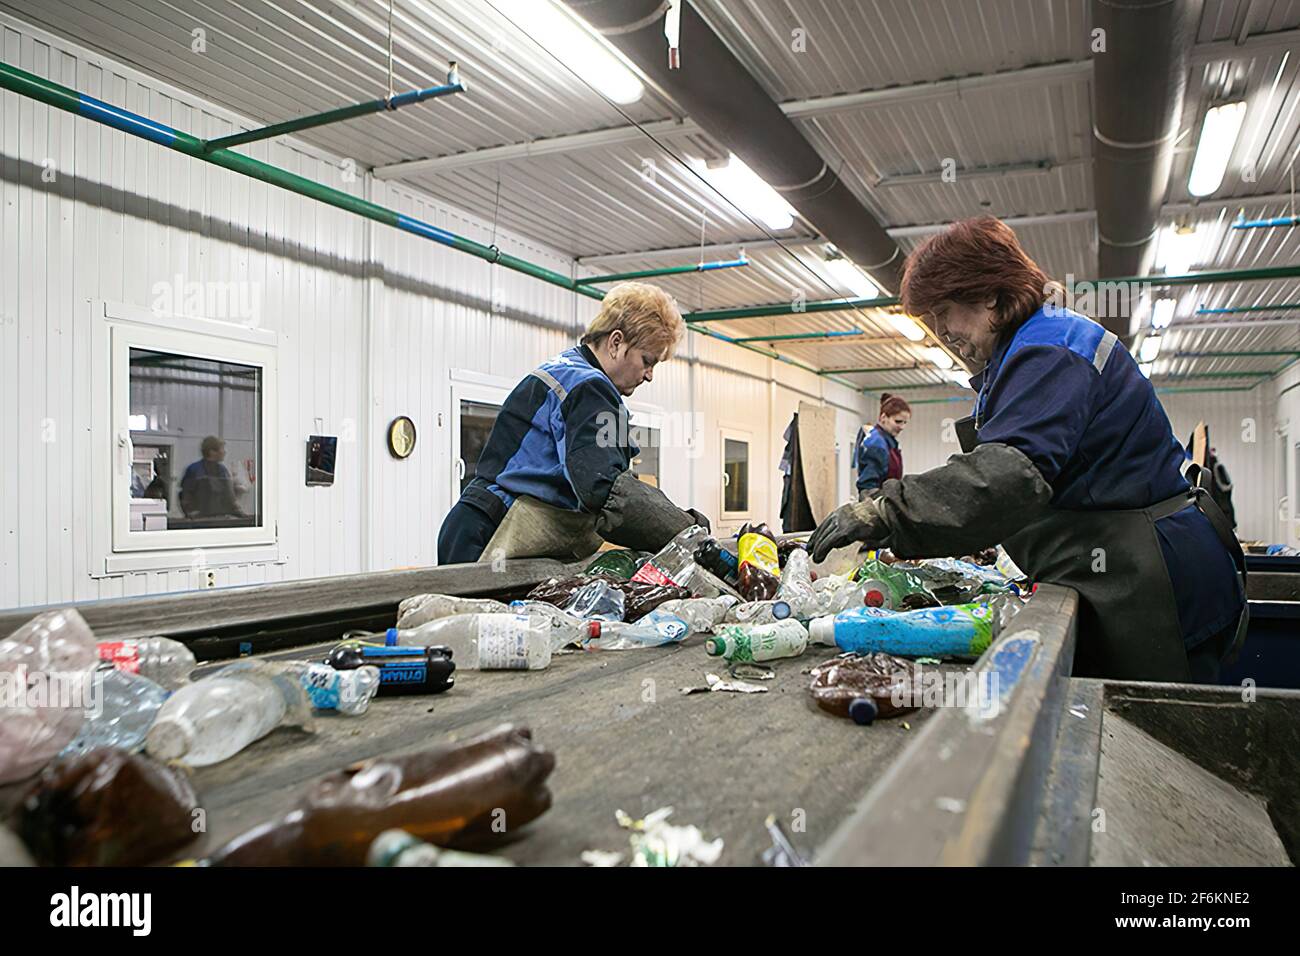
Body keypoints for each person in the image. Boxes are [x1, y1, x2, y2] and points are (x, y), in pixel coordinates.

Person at [809, 217, 1246, 683]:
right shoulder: (1030, 347)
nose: (941, 331)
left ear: (989, 295)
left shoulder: (1052, 348)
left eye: (944, 311)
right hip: (1127, 561)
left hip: (1155, 580)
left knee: (1157, 720)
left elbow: (1008, 475)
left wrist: (887, 512)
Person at [437, 282, 710, 564]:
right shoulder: (589, 387)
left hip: (475, 526)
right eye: (647, 360)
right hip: (492, 533)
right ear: (616, 342)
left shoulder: (567, 370)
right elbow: (607, 490)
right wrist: (689, 532)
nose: (649, 375)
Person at [856, 393, 911, 500]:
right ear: (883, 417)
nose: (902, 427)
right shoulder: (877, 444)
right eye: (898, 422)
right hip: (879, 502)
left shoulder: (889, 443)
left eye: (905, 423)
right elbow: (868, 487)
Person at [179, 436, 242, 519]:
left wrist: (238, 511)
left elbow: (229, 497)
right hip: (200, 520)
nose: (225, 452)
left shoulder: (223, 470)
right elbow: (185, 495)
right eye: (222, 449)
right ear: (212, 452)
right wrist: (190, 512)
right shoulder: (194, 470)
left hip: (222, 519)